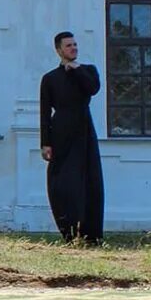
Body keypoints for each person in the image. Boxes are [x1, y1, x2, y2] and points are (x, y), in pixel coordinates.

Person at [39, 31, 103, 245]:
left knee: (89, 181)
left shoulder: (88, 71)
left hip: (84, 131)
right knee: (62, 183)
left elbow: (93, 89)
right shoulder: (50, 79)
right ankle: (68, 231)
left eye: (75, 45)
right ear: (59, 50)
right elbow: (45, 111)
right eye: (68, 46)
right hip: (61, 132)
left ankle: (90, 234)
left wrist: (77, 71)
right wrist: (45, 143)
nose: (73, 48)